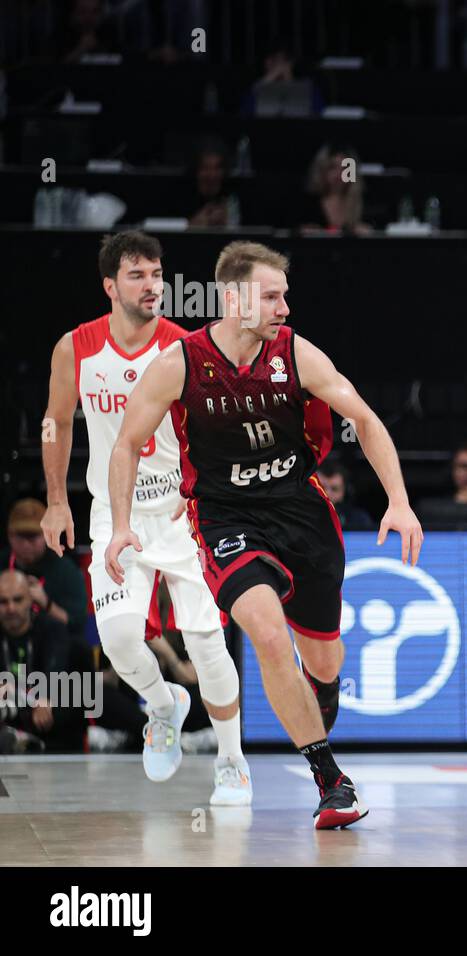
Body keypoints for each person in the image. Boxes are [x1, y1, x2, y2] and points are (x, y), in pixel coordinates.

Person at [105, 240, 422, 830]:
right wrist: (122, 525)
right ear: (233, 297)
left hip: (301, 510)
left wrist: (398, 502)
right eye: (271, 295)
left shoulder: (298, 354)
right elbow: (125, 444)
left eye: (284, 294)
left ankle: (320, 696)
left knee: (323, 658)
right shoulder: (180, 362)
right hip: (226, 518)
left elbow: (365, 419)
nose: (284, 306)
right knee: (269, 636)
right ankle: (330, 779)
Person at [41, 230, 250, 805]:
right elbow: (56, 423)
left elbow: (218, 429)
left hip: (183, 512)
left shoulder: (185, 345)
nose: (153, 285)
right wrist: (58, 500)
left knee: (208, 642)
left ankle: (232, 761)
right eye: (138, 275)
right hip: (116, 511)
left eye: (158, 274)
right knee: (118, 640)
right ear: (110, 286)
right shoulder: (76, 348)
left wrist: (206, 489)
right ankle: (164, 706)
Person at [0, 570, 94, 753]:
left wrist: (45, 696)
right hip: (10, 705)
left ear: (30, 600)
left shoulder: (50, 628)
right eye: (3, 602)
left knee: (83, 690)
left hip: (48, 706)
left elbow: (56, 665)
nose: (10, 608)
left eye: (17, 600)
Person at [2, 499, 88, 639]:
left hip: (52, 643)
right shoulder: (2, 564)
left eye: (32, 536)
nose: (26, 544)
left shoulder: (65, 570)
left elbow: (77, 625)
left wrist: (46, 604)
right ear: (10, 535)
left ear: (47, 534)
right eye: (20, 535)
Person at [300, 146, 371, 236]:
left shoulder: (364, 203)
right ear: (321, 170)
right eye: (332, 167)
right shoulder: (306, 204)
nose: (339, 174)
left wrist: (366, 232)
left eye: (345, 168)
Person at [316, 458, 376, 531]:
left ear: (345, 492)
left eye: (334, 489)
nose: (327, 493)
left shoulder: (360, 520)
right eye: (322, 487)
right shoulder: (299, 517)